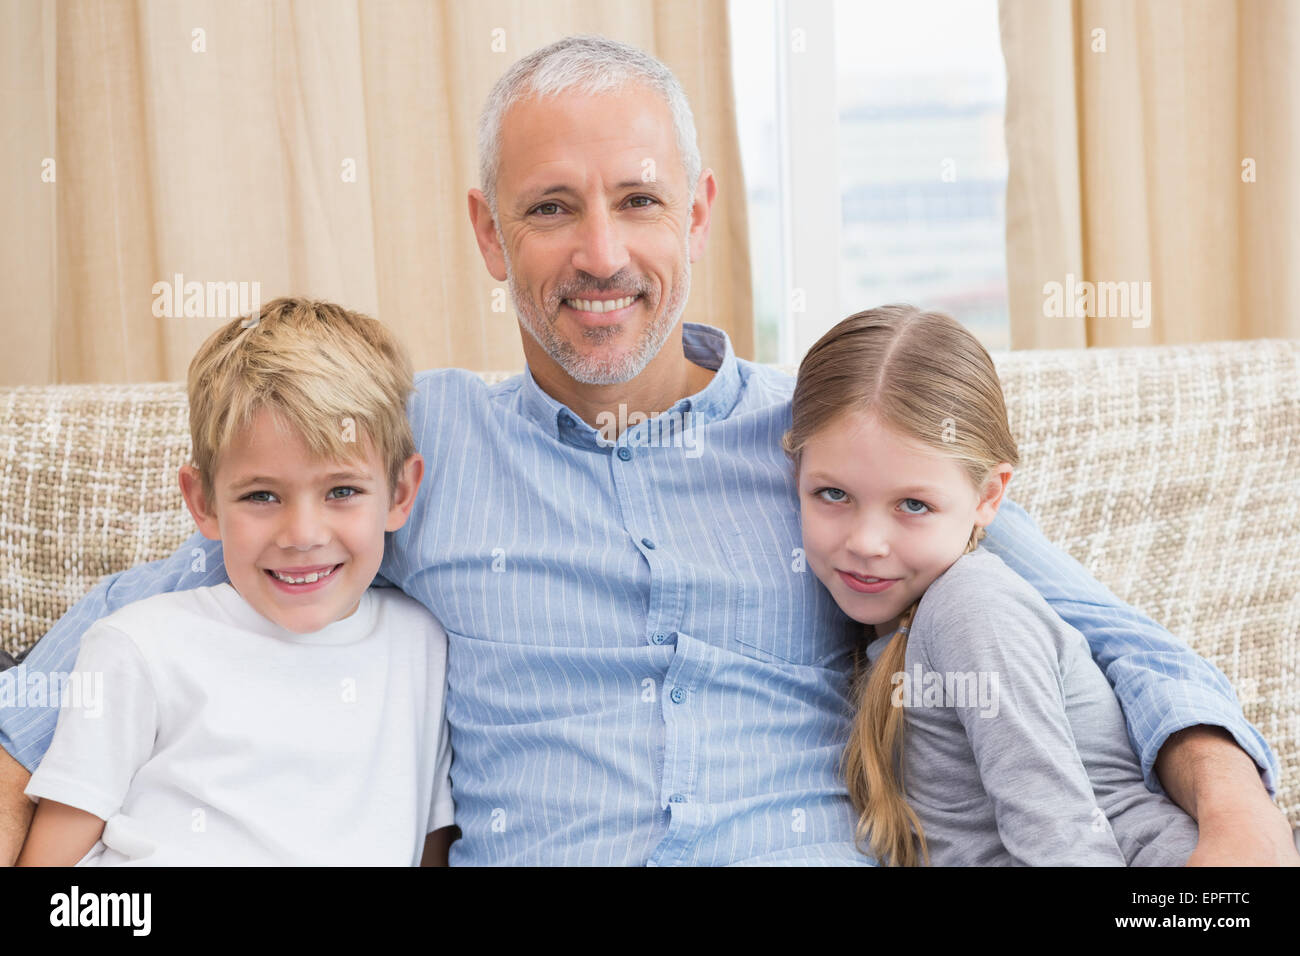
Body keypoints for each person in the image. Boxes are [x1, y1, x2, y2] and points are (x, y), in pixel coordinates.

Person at [1, 35, 1293, 866]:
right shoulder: (411, 450)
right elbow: (120, 627)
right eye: (551, 209)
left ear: (700, 211)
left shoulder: (834, 446)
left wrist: (1233, 810)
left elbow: (1114, 637)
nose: (602, 255)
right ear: (488, 234)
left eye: (637, 201)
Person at [14, 299, 455, 866]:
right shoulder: (137, 646)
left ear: (399, 493)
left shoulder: (425, 648)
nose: (302, 534)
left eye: (341, 491)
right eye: (261, 496)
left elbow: (430, 851)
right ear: (203, 503)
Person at [788, 306, 1202, 866]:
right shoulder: (894, 620)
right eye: (833, 494)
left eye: (914, 505)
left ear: (989, 497)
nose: (866, 542)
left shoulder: (971, 608)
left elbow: (1064, 845)